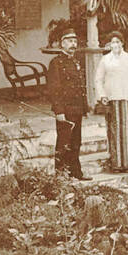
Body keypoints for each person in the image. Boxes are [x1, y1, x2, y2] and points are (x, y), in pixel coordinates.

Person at [95, 30, 128, 172]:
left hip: (127, 99)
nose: (115, 45)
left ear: (122, 43)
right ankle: (116, 164)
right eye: (112, 42)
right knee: (114, 131)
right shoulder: (105, 60)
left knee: (127, 132)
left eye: (117, 41)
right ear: (109, 45)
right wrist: (102, 95)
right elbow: (98, 79)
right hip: (112, 99)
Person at [47, 28, 86, 179]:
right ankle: (61, 175)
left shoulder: (76, 61)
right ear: (62, 44)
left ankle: (76, 173)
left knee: (76, 142)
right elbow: (54, 89)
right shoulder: (56, 63)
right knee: (64, 143)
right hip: (65, 109)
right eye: (70, 41)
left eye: (75, 41)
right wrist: (59, 111)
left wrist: (84, 107)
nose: (73, 44)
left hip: (77, 108)